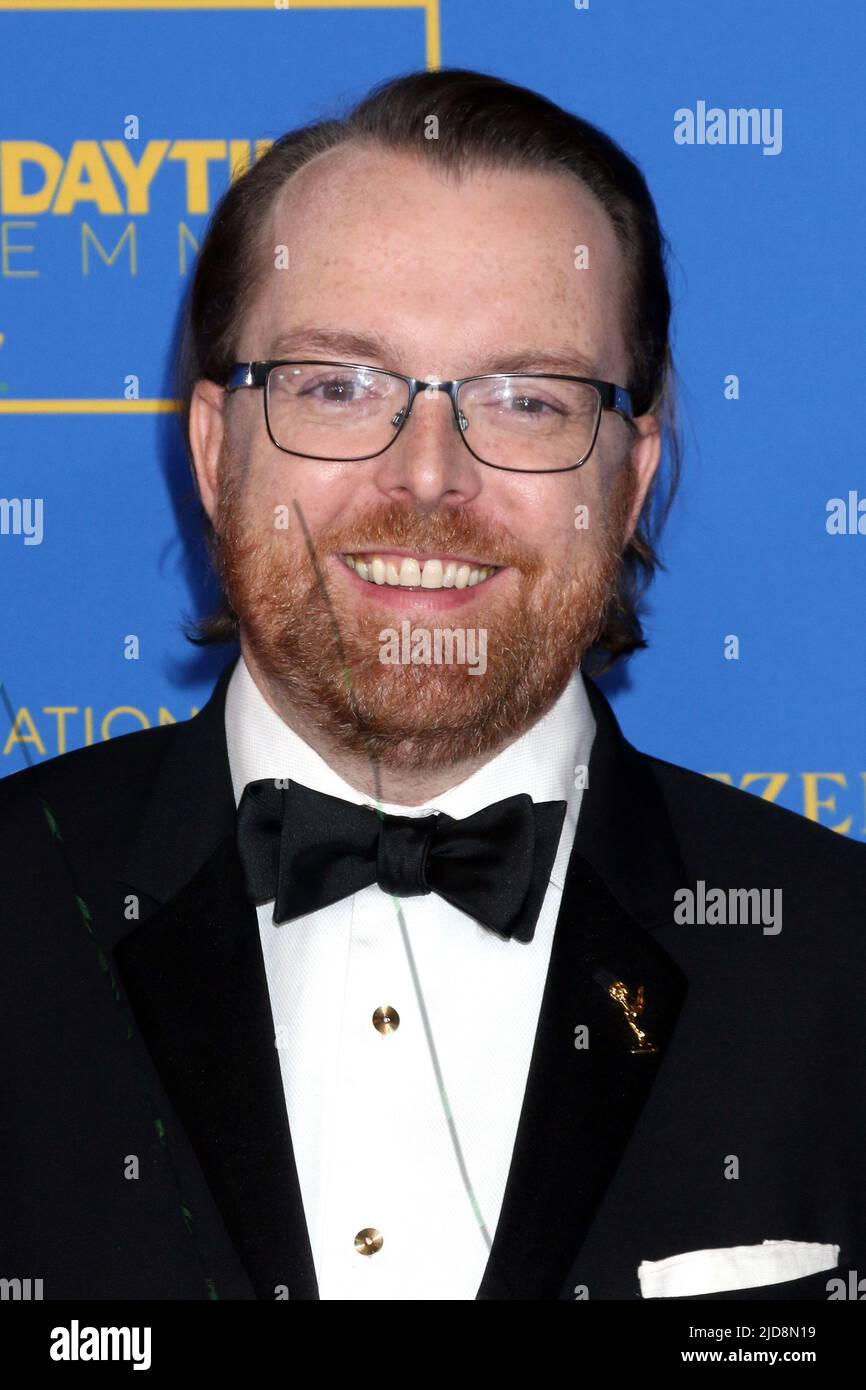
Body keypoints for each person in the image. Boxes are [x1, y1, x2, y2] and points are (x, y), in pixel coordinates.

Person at [2, 67, 864, 1303]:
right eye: (337, 385)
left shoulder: (837, 965)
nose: (424, 477)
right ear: (210, 450)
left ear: (626, 485)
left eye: (523, 399)